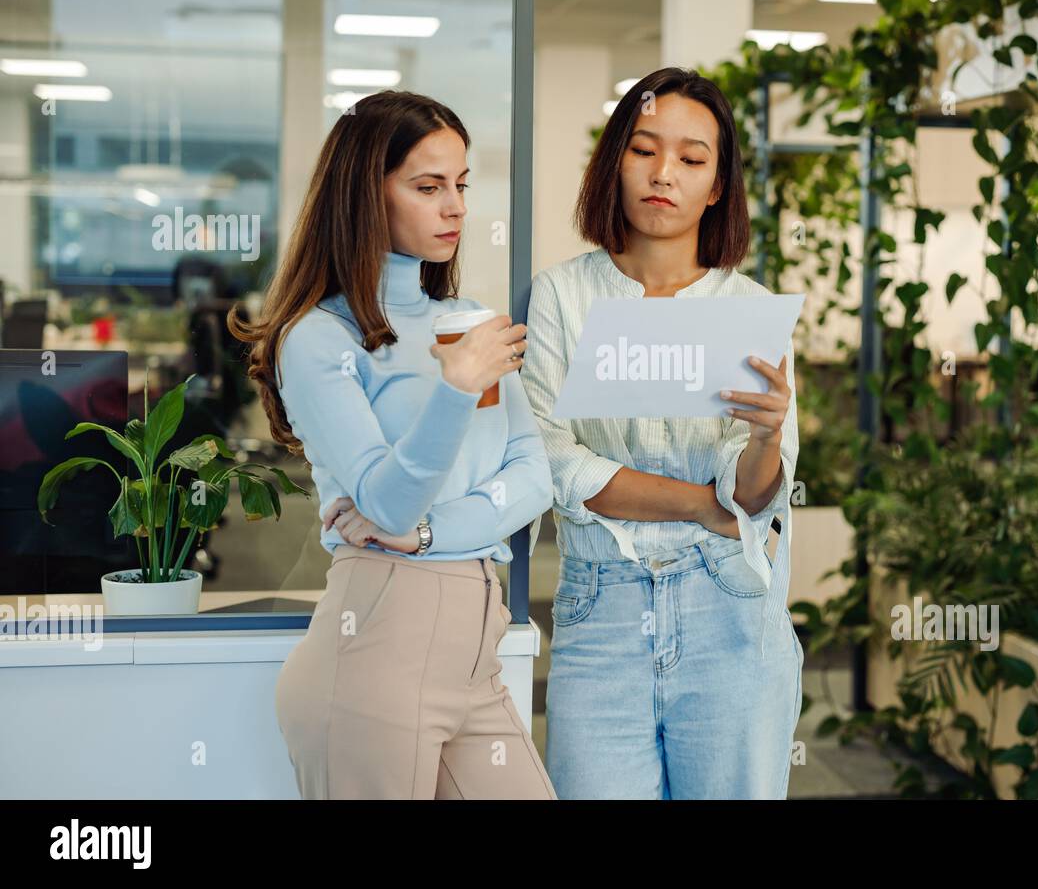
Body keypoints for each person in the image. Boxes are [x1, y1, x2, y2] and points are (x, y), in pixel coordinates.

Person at [229, 90, 556, 799]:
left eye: (461, 185)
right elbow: (387, 500)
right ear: (363, 196)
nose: (455, 208)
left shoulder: (466, 323)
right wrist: (457, 388)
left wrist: (436, 531)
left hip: (476, 659)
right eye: (427, 186)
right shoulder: (319, 338)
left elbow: (535, 477)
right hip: (375, 655)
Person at [519, 67, 803, 799]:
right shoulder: (562, 294)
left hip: (727, 608)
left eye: (692, 158)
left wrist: (767, 440)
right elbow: (552, 461)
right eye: (644, 149)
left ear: (718, 186)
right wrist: (704, 504)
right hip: (599, 606)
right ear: (615, 161)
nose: (664, 173)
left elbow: (753, 495)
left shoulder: (752, 309)